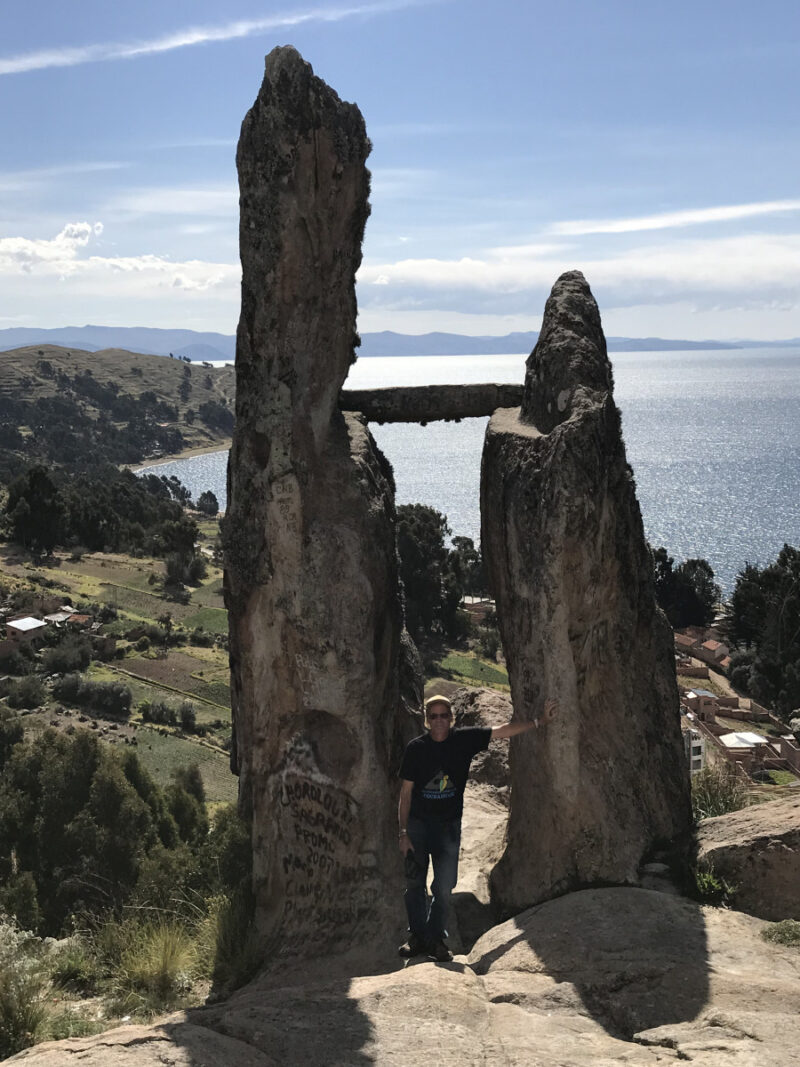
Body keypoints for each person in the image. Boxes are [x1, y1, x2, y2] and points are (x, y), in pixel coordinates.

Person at [397, 692, 558, 962]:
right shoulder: (416, 748)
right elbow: (406, 793)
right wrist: (403, 833)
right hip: (418, 827)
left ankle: (435, 939)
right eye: (433, 716)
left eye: (444, 716)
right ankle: (416, 937)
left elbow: (502, 731)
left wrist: (539, 721)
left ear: (452, 718)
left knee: (444, 886)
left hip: (448, 827)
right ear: (427, 720)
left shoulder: (464, 739)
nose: (439, 721)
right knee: (414, 884)